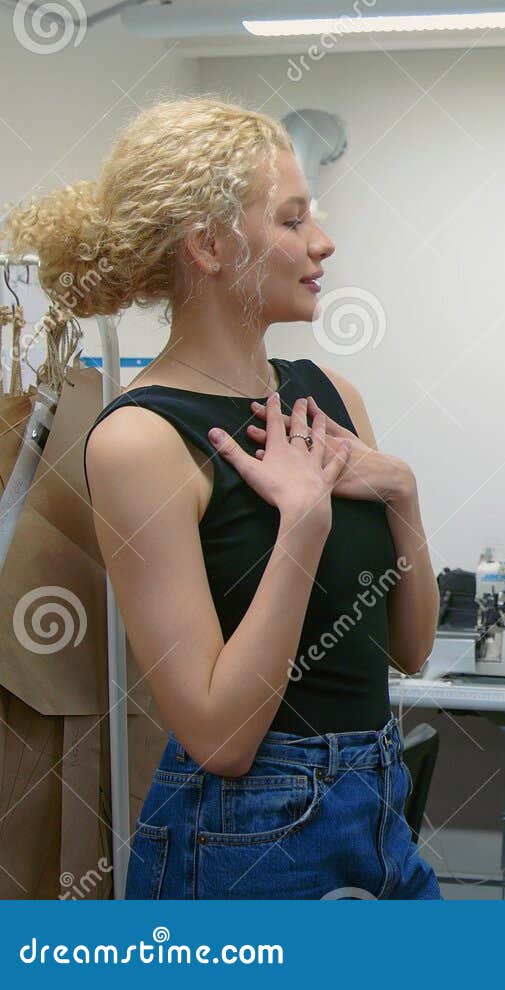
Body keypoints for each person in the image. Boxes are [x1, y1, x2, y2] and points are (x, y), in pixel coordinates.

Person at [3, 98, 440, 899]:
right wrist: (302, 523)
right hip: (246, 836)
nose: (323, 242)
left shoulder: (328, 394)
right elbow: (220, 736)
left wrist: (403, 493)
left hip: (379, 803)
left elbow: (407, 652)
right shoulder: (140, 438)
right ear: (208, 245)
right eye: (292, 218)